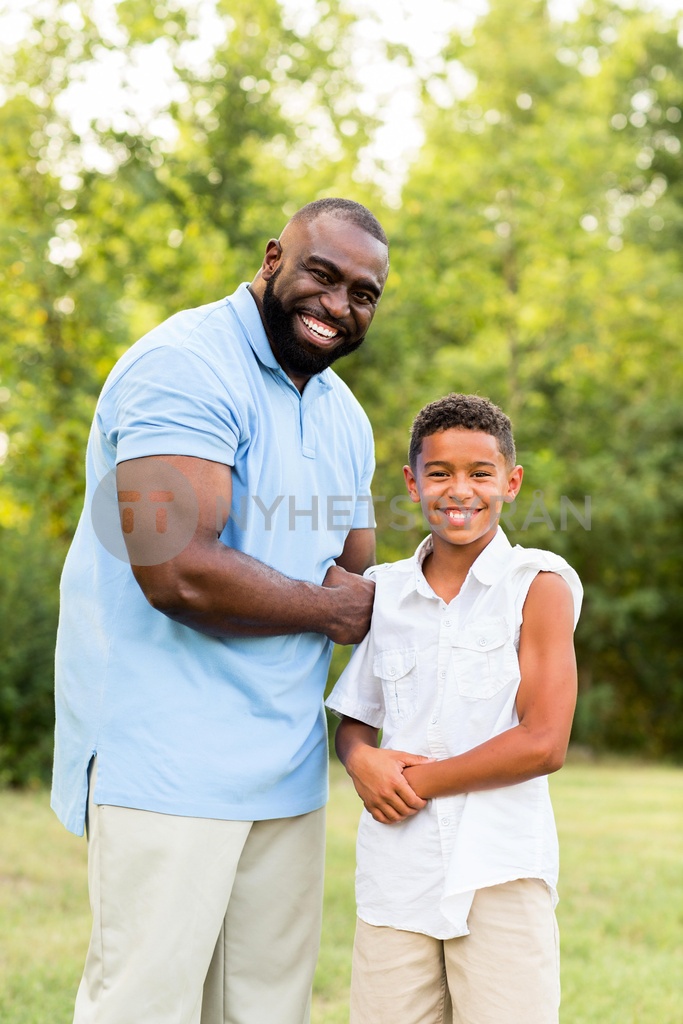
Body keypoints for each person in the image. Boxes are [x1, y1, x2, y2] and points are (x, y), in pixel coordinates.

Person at [52, 198, 390, 1024]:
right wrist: (328, 610)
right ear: (274, 258)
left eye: (363, 292)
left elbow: (357, 578)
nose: (338, 305)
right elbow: (178, 574)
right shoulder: (184, 366)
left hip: (284, 767)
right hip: (167, 759)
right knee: (145, 1007)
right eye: (322, 273)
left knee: (264, 1012)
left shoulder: (343, 414)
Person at [326, 393, 583, 1024]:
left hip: (499, 866)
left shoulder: (539, 584)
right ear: (413, 483)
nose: (459, 490)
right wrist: (361, 761)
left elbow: (544, 741)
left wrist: (411, 780)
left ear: (511, 483)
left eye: (480, 473)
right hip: (397, 873)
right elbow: (356, 723)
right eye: (439, 473)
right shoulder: (385, 590)